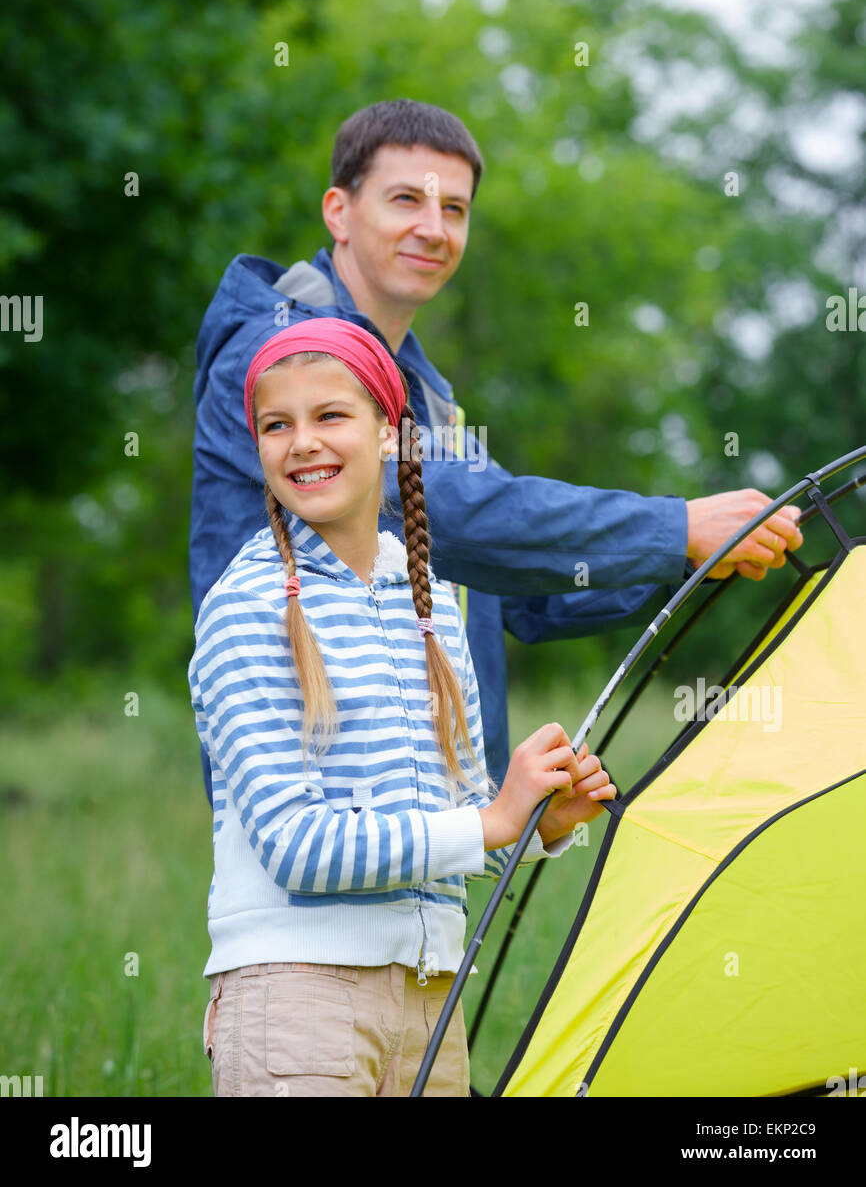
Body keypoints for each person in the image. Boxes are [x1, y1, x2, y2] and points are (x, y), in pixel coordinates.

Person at [190, 99, 803, 793]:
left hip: (433, 800)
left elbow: (523, 591)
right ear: (338, 211)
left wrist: (691, 558)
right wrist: (674, 525)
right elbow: (460, 513)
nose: (433, 228)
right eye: (405, 200)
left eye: (455, 209)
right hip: (314, 785)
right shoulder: (278, 356)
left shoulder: (421, 390)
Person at [191, 318, 617, 1097]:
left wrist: (530, 826)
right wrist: (489, 821)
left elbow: (443, 835)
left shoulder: (430, 605)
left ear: (389, 434)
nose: (302, 443)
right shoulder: (244, 608)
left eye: (330, 416)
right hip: (297, 1005)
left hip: (431, 1001)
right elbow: (296, 847)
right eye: (275, 425)